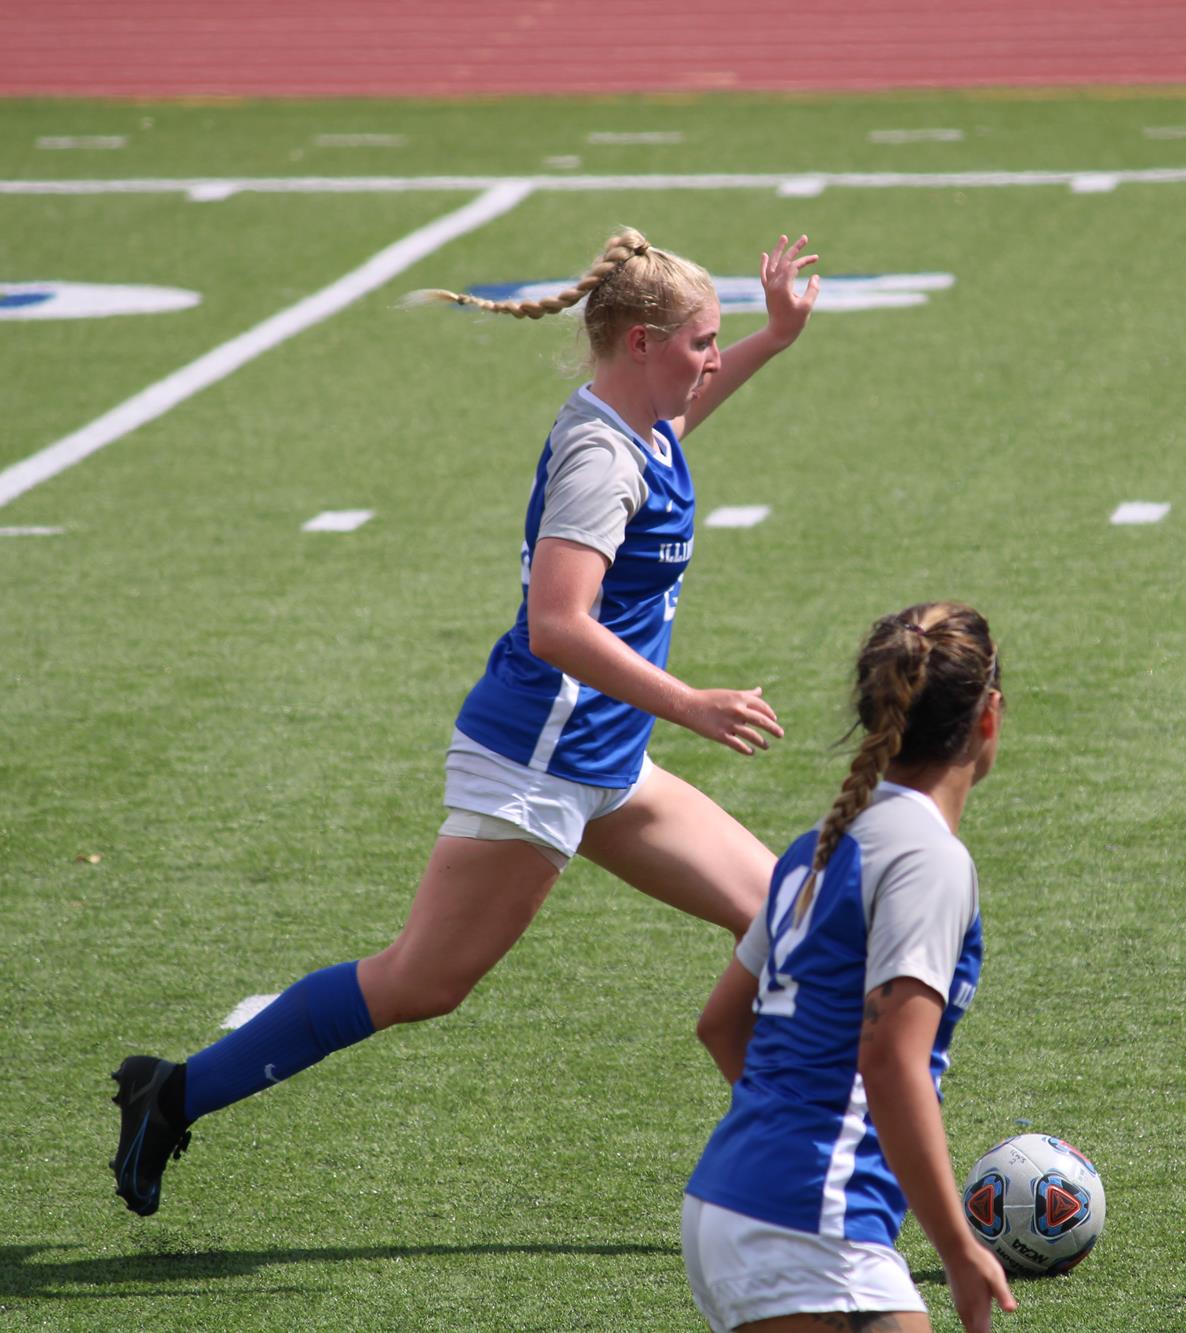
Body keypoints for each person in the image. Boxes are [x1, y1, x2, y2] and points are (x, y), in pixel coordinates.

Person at [110, 228, 823, 1216]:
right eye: (703, 343)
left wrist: (776, 338)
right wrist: (689, 703)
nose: (710, 362)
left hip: (604, 761)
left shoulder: (648, 420)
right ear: (639, 345)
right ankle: (173, 1091)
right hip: (536, 763)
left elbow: (688, 407)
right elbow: (557, 624)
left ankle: (804, 1174)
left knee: (784, 916)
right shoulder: (599, 458)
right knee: (419, 981)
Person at [682, 602, 1018, 1333]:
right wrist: (960, 1248)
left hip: (735, 1199)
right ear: (988, 715)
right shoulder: (929, 860)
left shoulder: (817, 848)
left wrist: (793, 1131)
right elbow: (893, 1061)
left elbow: (720, 1024)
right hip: (808, 1228)